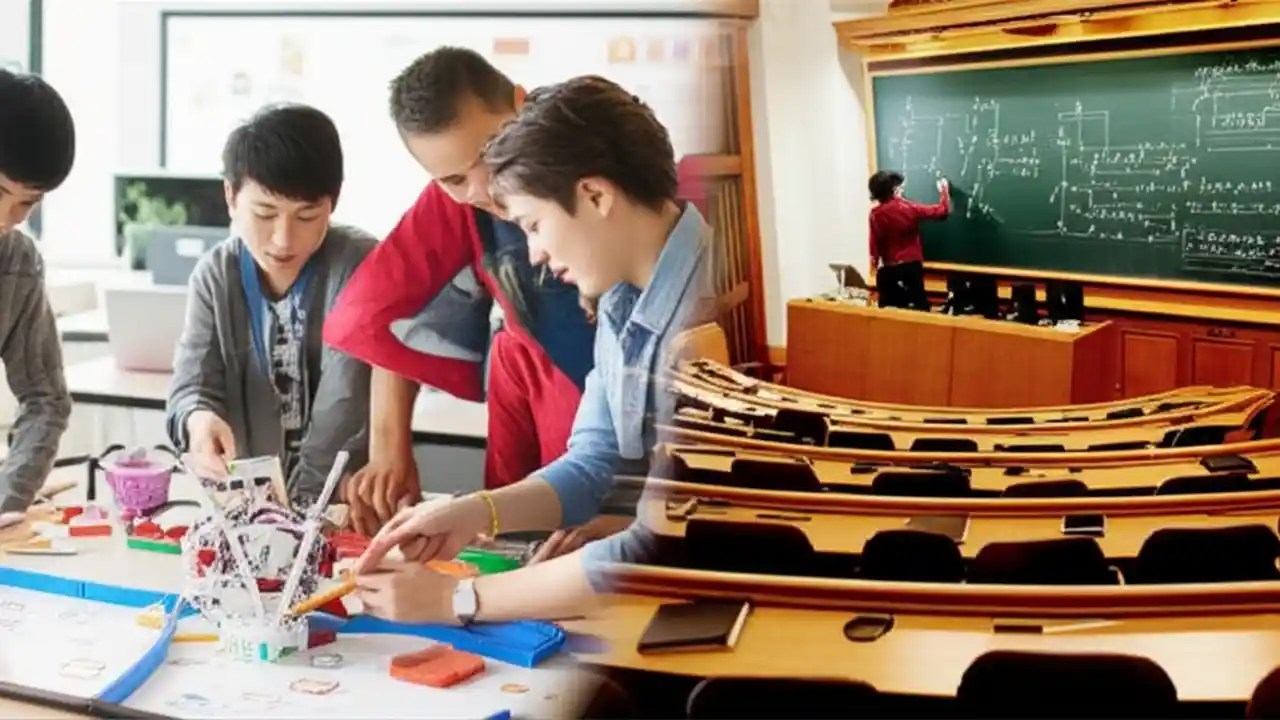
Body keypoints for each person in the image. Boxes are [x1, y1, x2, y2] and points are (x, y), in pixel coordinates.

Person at [349, 75, 715, 625]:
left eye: (535, 226)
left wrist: (454, 601)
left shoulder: (709, 317)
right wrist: (474, 513)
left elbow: (659, 546)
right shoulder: (620, 300)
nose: (536, 255)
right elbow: (592, 465)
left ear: (595, 195)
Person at [322, 47, 603, 539]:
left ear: (521, 104)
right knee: (508, 541)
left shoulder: (590, 142)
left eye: (493, 151)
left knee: (580, 534)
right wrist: (389, 449)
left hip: (606, 378)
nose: (488, 188)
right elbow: (387, 306)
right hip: (524, 371)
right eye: (453, 179)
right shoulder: (462, 191)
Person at [166, 104, 376, 509]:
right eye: (265, 213)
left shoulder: (360, 266)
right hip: (249, 507)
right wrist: (198, 419)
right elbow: (192, 384)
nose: (283, 239)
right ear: (231, 196)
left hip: (345, 506)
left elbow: (343, 403)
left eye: (306, 216)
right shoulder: (216, 275)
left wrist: (299, 510)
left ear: (332, 203)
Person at [0, 70, 74, 514]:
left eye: (26, 203)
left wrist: (8, 496)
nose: (6, 216)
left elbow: (46, 399)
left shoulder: (17, 264)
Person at [868, 170, 949, 311]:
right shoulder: (907, 208)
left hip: (887, 272)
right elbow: (942, 211)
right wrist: (944, 190)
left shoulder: (874, 215)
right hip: (910, 270)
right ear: (893, 189)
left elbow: (874, 248)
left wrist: (874, 268)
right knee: (918, 314)